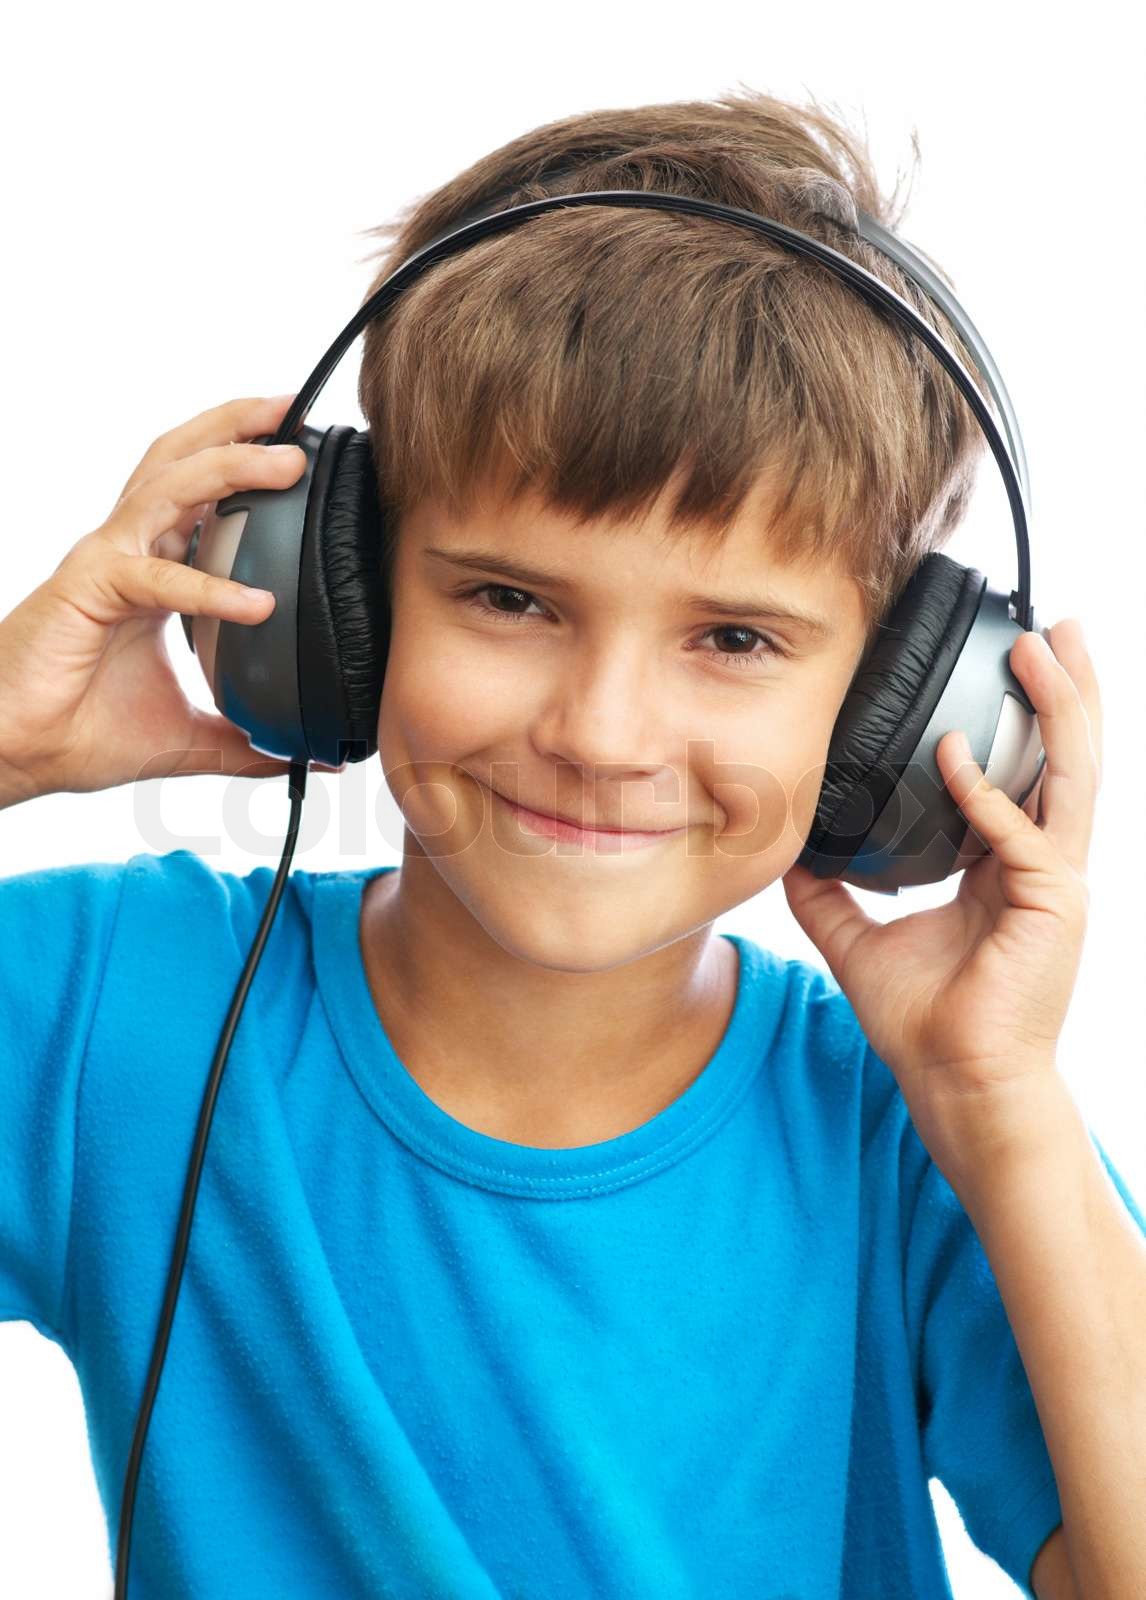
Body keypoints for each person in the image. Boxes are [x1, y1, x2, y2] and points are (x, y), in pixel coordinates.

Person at [1, 85, 1142, 1600]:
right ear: (333, 597)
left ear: (893, 711)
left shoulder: (913, 1132)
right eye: (510, 601)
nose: (603, 734)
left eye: (733, 638)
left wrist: (997, 1100)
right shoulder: (106, 1011)